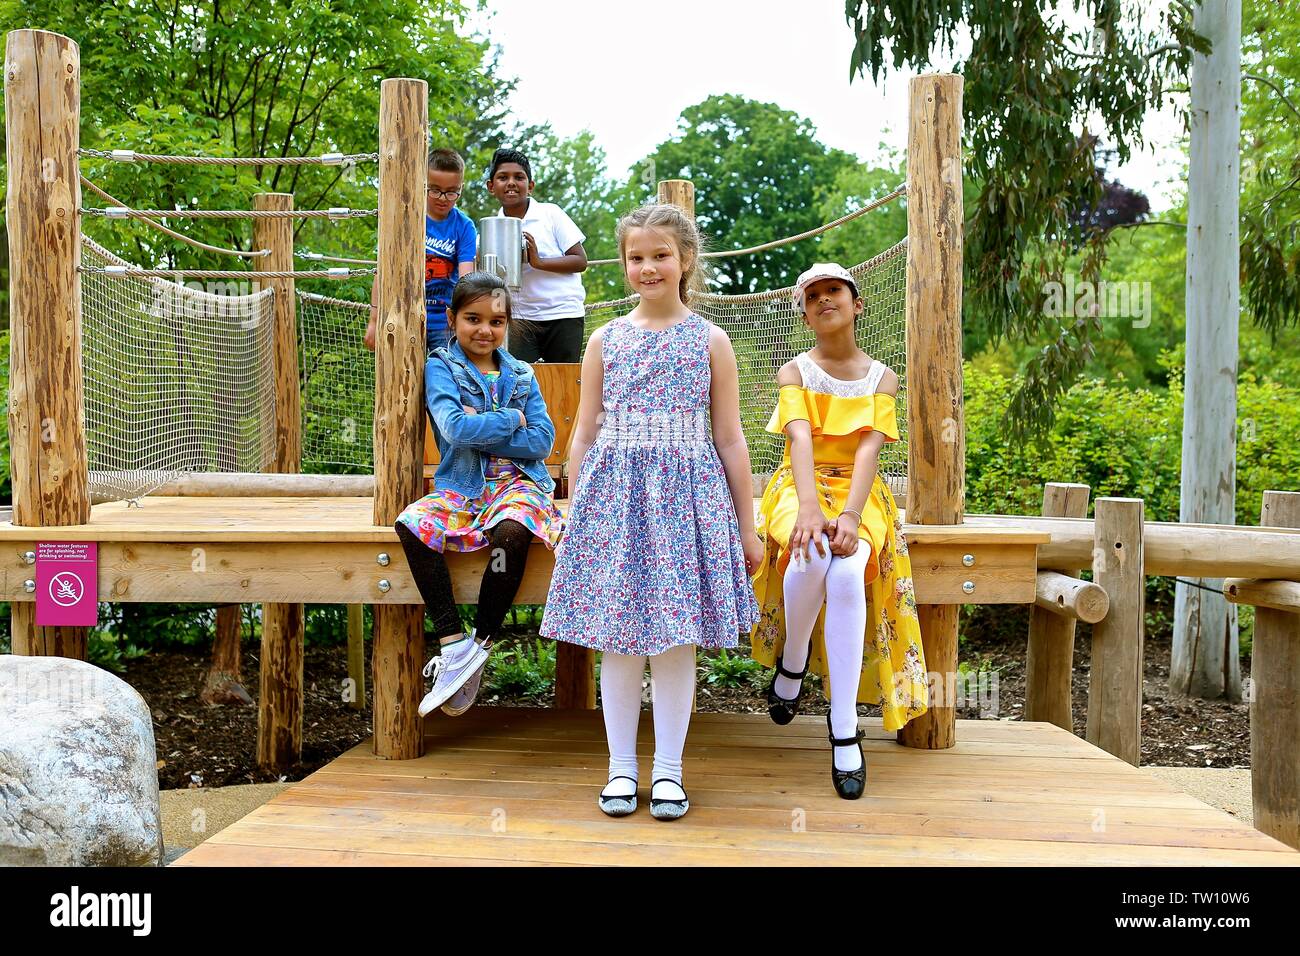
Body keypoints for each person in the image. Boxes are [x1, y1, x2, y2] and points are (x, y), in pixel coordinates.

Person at [541, 204, 762, 821]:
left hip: (688, 507)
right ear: (625, 264)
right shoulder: (605, 340)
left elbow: (731, 438)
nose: (648, 267)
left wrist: (746, 526)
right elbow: (583, 433)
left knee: (673, 643)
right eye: (637, 257)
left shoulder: (709, 340)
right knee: (618, 641)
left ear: (685, 260)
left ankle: (668, 772)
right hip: (615, 503)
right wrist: (574, 512)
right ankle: (619, 769)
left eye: (660, 255)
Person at [749, 262, 929, 799]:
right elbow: (800, 440)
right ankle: (795, 658)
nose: (824, 300)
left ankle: (844, 727)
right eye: (813, 297)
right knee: (807, 556)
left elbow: (869, 448)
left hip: (859, 492)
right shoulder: (795, 371)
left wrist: (850, 516)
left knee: (848, 570)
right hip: (798, 486)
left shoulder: (882, 377)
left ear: (857, 305)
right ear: (805, 315)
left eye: (835, 291)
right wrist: (807, 507)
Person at [394, 271, 563, 717]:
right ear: (452, 319)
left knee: (512, 530)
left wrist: (482, 425)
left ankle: (481, 643)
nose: (486, 330)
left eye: (497, 321)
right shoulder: (441, 367)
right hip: (465, 486)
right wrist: (511, 420)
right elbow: (454, 428)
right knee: (413, 524)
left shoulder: (523, 374)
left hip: (520, 482)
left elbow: (542, 443)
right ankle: (453, 643)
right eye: (473, 318)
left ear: (507, 324)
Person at [365, 148, 477, 353]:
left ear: (460, 188)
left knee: (443, 377)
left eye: (452, 191)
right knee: (400, 379)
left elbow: (466, 279)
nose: (443, 198)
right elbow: (383, 272)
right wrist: (374, 320)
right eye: (435, 190)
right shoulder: (405, 220)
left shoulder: (464, 226)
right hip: (404, 316)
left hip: (445, 324)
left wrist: (466, 320)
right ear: (422, 185)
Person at [485, 147, 587, 363]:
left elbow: (580, 260)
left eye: (519, 177)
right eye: (503, 177)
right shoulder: (491, 228)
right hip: (519, 319)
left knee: (563, 381)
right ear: (491, 187)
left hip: (563, 314)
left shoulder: (551, 214)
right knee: (519, 382)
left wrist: (538, 262)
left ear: (530, 186)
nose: (511, 183)